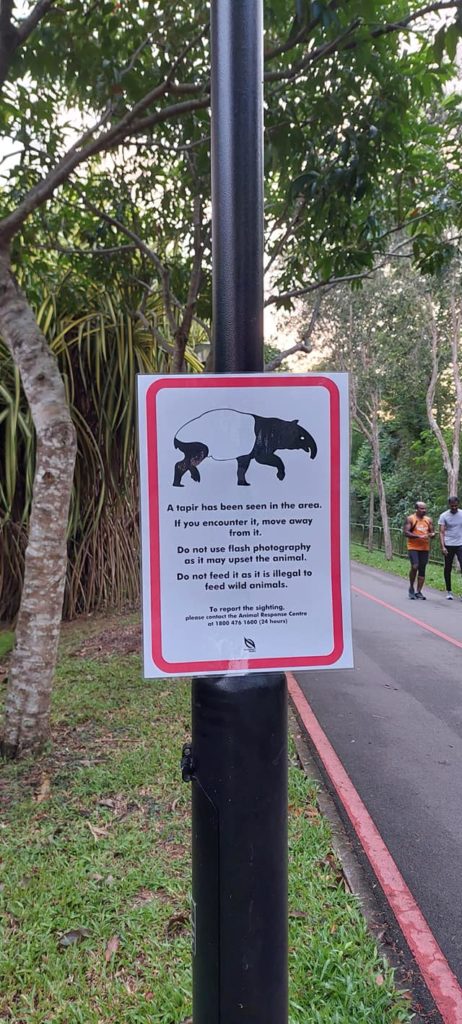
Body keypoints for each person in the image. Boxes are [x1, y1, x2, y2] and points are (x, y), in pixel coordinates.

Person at [403, 501, 435, 600]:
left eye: (425, 508)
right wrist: (418, 536)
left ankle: (419, 591)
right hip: (413, 547)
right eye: (421, 509)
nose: (424, 510)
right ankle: (411, 587)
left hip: (424, 548)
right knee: (415, 566)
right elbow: (406, 532)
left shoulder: (428, 520)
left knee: (422, 568)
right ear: (416, 509)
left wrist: (432, 535)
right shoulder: (410, 519)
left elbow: (432, 532)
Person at [438, 496, 462, 599]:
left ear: (458, 504)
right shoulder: (444, 515)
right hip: (449, 544)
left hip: (460, 544)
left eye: (456, 506)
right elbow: (441, 532)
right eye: (452, 506)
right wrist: (443, 546)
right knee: (448, 567)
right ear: (449, 505)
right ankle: (449, 591)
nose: (454, 508)